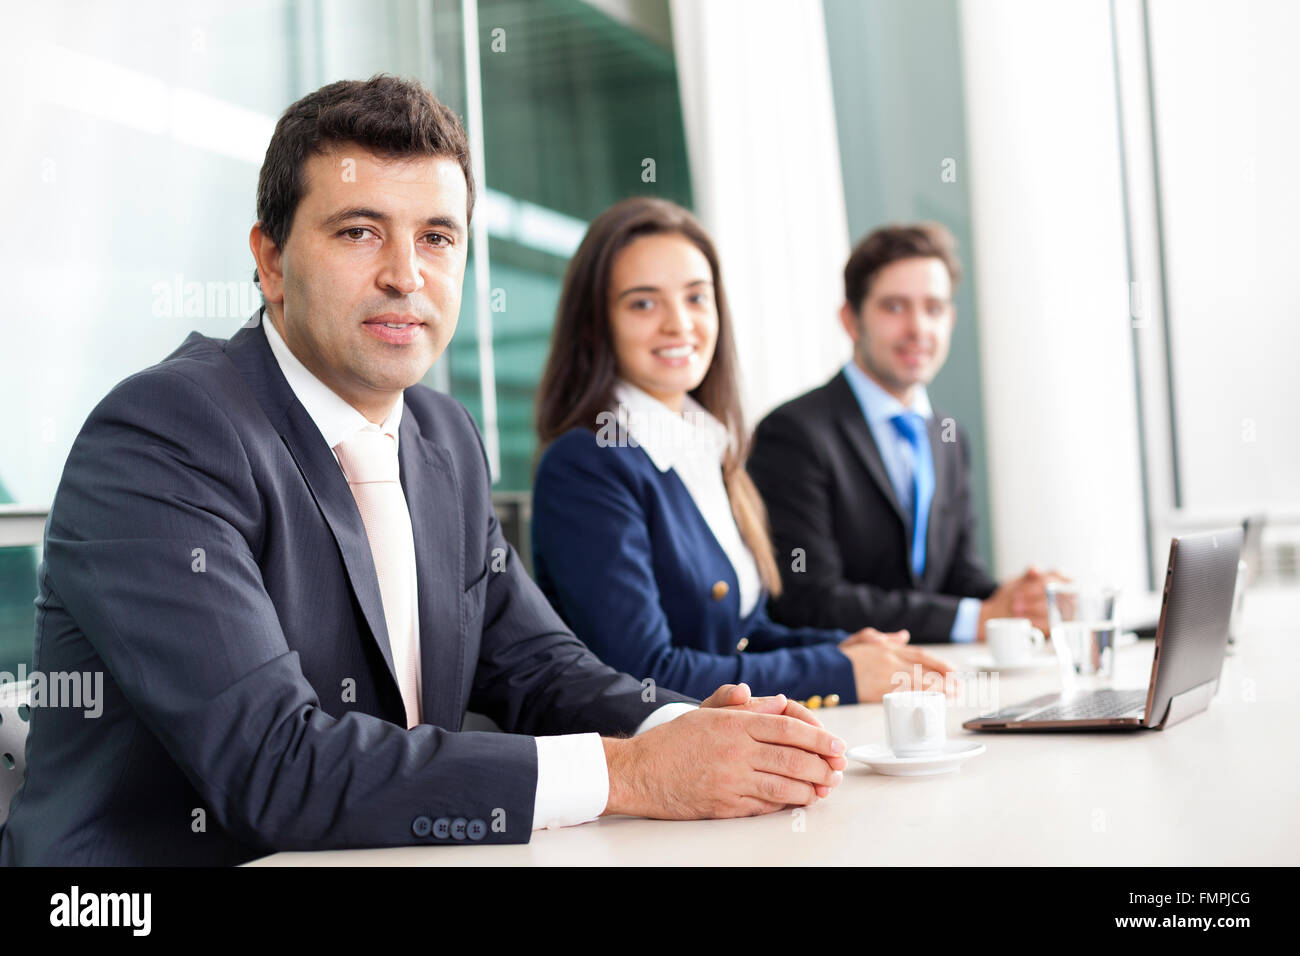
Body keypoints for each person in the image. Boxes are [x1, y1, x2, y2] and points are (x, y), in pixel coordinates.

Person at [0, 77, 849, 867]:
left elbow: (538, 666)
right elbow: (274, 766)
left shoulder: (443, 434)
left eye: (437, 238)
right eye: (359, 231)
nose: (405, 275)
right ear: (270, 260)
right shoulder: (164, 434)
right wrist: (631, 771)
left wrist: (695, 729)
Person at [530, 198, 955, 706]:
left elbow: (743, 636)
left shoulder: (707, 444)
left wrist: (846, 648)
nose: (679, 325)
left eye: (695, 298)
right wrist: (837, 670)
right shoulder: (589, 464)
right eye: (643, 303)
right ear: (595, 324)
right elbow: (643, 671)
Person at [748, 222, 1065, 643]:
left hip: (937, 677)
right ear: (851, 320)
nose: (918, 328)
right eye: (894, 307)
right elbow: (808, 599)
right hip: (843, 691)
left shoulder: (948, 436)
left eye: (933, 308)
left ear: (950, 319)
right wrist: (977, 617)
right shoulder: (792, 433)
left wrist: (1018, 604)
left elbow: (957, 579)